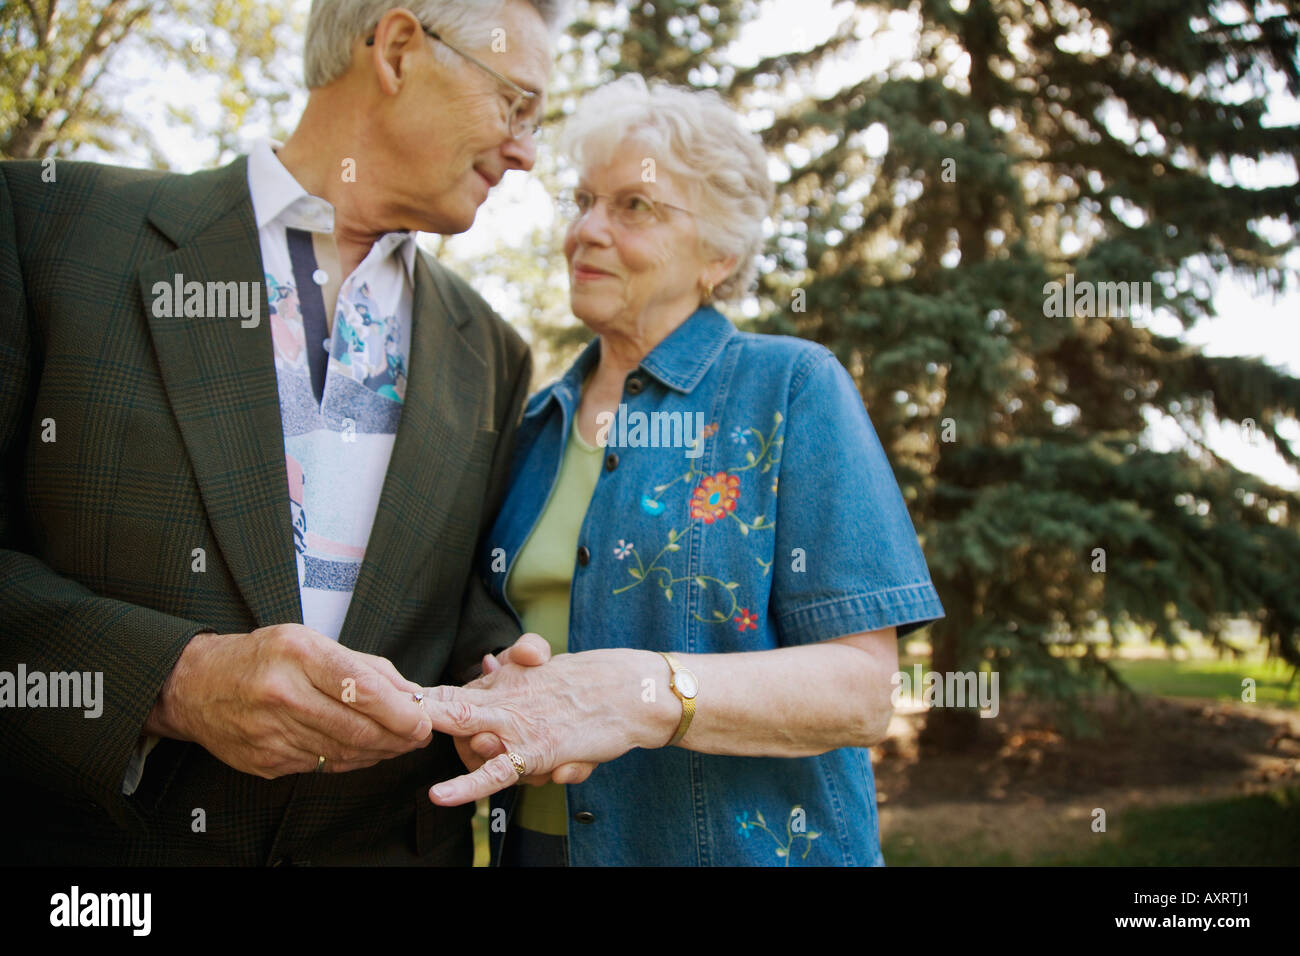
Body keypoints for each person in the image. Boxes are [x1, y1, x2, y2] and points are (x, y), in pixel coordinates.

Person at [0, 0, 564, 865]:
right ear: (402, 48)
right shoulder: (46, 228)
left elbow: (459, 611)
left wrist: (501, 679)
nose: (527, 148)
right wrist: (173, 683)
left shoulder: (495, 351)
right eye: (517, 104)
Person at [422, 74, 947, 866]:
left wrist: (640, 695)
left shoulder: (791, 388)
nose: (587, 231)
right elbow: (487, 631)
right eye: (583, 200)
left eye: (634, 206)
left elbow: (865, 693)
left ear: (720, 253)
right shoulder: (531, 424)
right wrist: (494, 696)